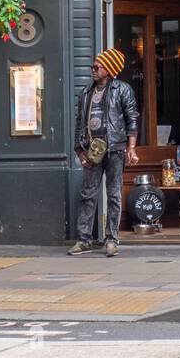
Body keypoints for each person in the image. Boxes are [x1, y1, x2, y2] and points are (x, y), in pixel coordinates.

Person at [70, 48, 139, 258]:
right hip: (92, 150)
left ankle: (111, 239)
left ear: (108, 70)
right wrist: (79, 151)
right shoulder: (85, 93)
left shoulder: (122, 89)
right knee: (87, 194)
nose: (93, 70)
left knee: (114, 194)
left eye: (97, 67)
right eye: (92, 67)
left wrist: (131, 147)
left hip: (115, 149)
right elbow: (79, 123)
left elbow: (132, 118)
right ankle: (84, 240)